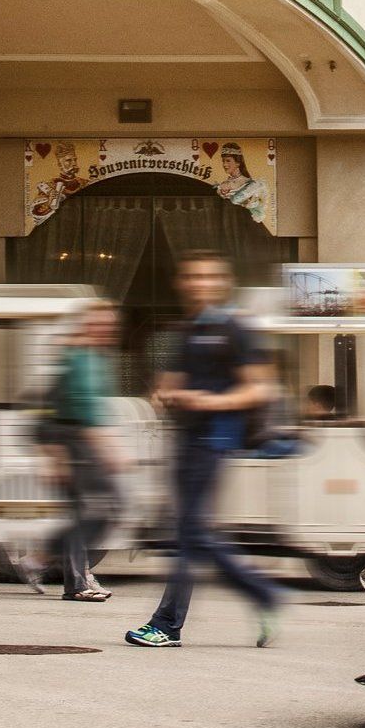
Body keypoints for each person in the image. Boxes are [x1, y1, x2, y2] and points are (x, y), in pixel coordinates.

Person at [126, 250, 282, 650]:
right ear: (182, 282)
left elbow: (260, 388)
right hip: (182, 441)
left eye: (208, 276)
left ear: (222, 282)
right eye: (192, 276)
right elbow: (170, 384)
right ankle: (257, 596)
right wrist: (164, 393)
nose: (199, 283)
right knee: (188, 536)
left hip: (213, 440)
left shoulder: (234, 328)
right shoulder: (187, 330)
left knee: (192, 533)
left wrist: (207, 402)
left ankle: (169, 623)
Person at [24, 300, 126, 602]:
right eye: (100, 324)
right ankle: (56, 567)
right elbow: (75, 410)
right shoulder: (79, 357)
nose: (107, 330)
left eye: (110, 325)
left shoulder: (89, 355)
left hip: (73, 444)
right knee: (100, 508)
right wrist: (56, 456)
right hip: (73, 446)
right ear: (87, 325)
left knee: (85, 512)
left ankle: (73, 575)